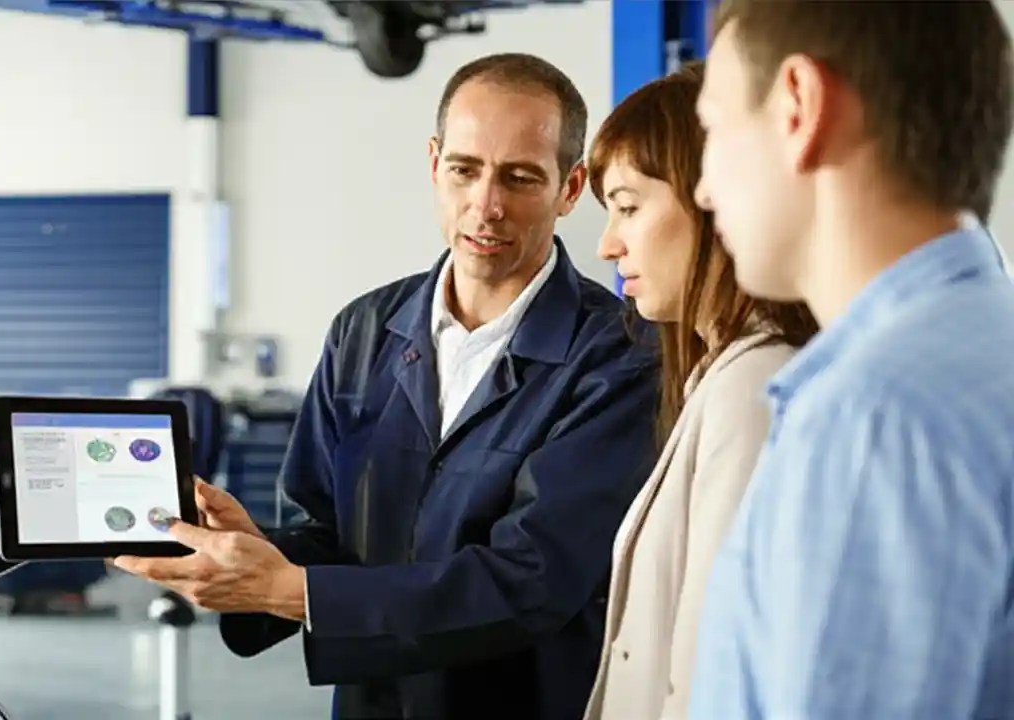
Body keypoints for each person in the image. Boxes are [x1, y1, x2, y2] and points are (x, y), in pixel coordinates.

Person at [112, 53, 660, 719]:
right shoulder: (363, 331)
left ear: (570, 189)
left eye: (519, 178)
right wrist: (253, 553)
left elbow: (532, 579)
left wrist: (293, 591)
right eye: (464, 169)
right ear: (434, 163)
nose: (485, 206)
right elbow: (328, 531)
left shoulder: (620, 358)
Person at [688, 2, 1014, 718]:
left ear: (799, 107)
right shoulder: (987, 349)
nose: (704, 188)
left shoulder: (876, 416)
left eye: (712, 127)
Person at [580, 63, 818, 720]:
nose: (606, 245)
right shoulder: (725, 374)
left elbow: (711, 677)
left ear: (716, 194)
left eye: (628, 207)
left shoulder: (753, 387)